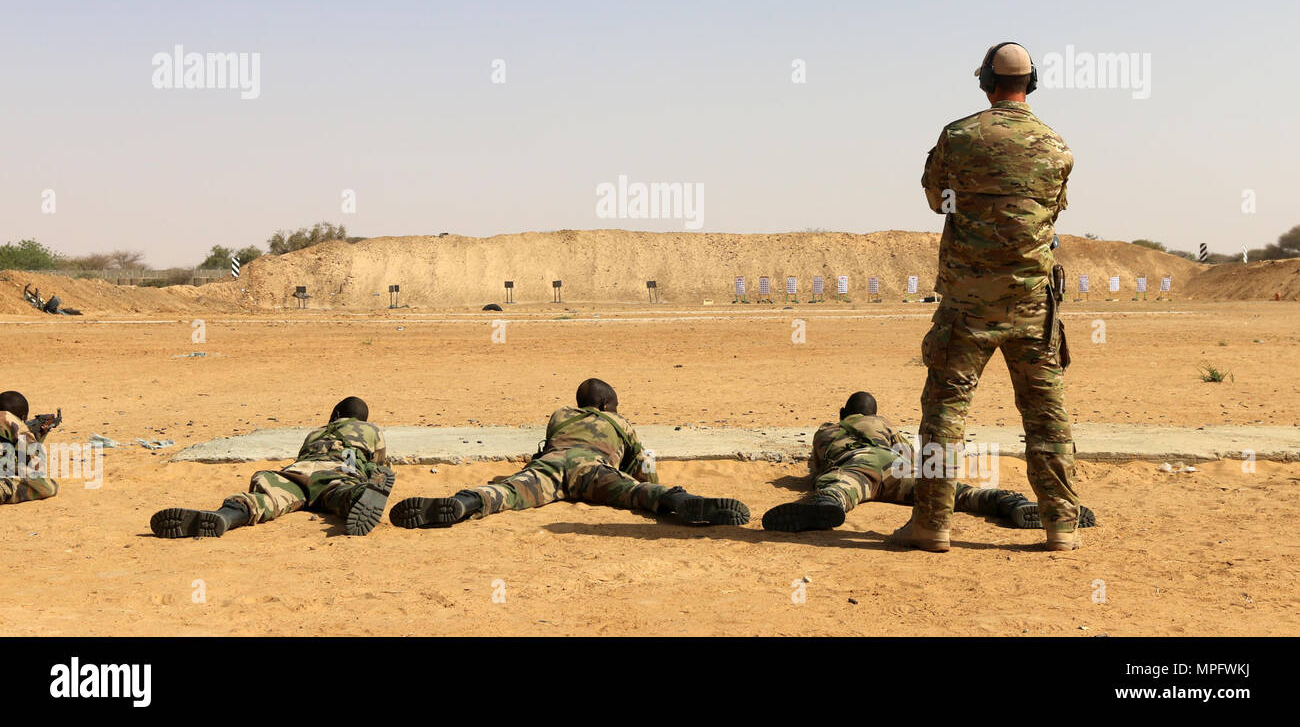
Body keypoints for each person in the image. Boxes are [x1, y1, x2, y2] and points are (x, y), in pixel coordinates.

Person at [897, 42, 1081, 553]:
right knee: (1047, 418)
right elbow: (1051, 211)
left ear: (984, 80)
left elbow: (938, 200)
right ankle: (1060, 526)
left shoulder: (958, 136)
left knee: (945, 415)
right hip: (1033, 305)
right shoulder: (1058, 146)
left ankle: (932, 526)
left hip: (966, 304)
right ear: (1033, 82)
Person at [390, 378, 749, 528]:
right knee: (639, 495)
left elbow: (547, 447)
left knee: (508, 493)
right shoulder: (620, 422)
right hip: (593, 470)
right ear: (607, 404)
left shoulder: (559, 415)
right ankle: (684, 503)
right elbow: (642, 470)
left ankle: (466, 503)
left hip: (551, 465)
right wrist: (653, 483)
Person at [762, 392, 1092, 532]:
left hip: (856, 463)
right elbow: (912, 456)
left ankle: (826, 507)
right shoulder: (886, 425)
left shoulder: (827, 430)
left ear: (842, 414)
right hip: (894, 464)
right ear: (875, 414)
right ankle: (1009, 502)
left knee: (837, 490)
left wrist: (826, 483)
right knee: (958, 494)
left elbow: (818, 468)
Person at [150, 396, 394, 538]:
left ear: (336, 414)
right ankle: (360, 497)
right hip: (338, 471)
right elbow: (379, 463)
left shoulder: (315, 432)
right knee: (346, 491)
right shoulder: (370, 429)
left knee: (266, 498)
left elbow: (304, 455)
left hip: (297, 474)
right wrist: (374, 477)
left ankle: (224, 517)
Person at [0, 391, 59, 505]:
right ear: (23, 417)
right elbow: (36, 467)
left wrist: (38, 436)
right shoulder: (12, 422)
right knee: (47, 486)